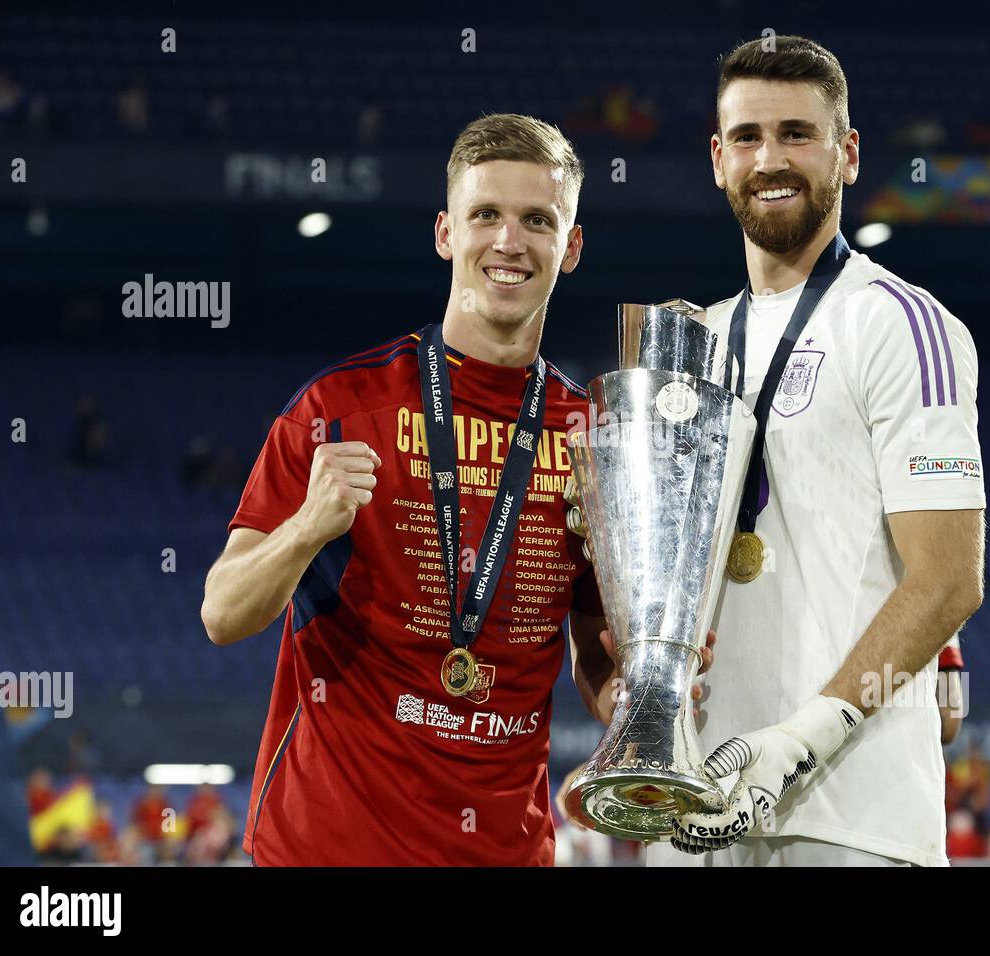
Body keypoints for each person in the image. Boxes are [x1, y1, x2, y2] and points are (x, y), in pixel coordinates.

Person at [201, 114, 695, 865]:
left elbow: (597, 671)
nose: (509, 241)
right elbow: (223, 613)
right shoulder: (338, 408)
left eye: (538, 220)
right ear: (445, 233)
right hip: (327, 850)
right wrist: (306, 529)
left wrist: (652, 688)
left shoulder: (593, 441)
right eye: (486, 215)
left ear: (572, 247)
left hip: (504, 850)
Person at [644, 35, 986, 867]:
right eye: (750, 138)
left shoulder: (904, 325)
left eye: (798, 134)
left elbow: (948, 577)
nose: (773, 159)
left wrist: (797, 738)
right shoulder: (689, 346)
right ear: (719, 159)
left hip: (850, 818)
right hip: (693, 815)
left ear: (848, 153)